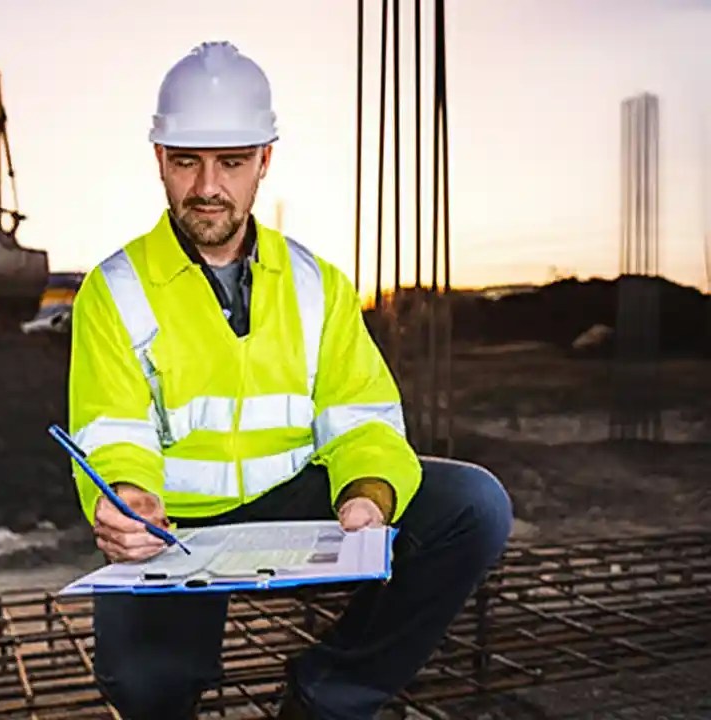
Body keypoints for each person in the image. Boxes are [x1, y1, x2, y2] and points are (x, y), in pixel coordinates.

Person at [65, 41, 513, 720]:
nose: (208, 186)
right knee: (144, 685)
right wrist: (128, 501)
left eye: (232, 162)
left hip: (291, 505)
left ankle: (328, 693)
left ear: (264, 161)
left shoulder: (319, 286)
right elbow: (112, 429)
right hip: (175, 529)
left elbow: (363, 419)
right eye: (186, 161)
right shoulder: (112, 290)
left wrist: (370, 493)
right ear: (159, 159)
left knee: (474, 506)